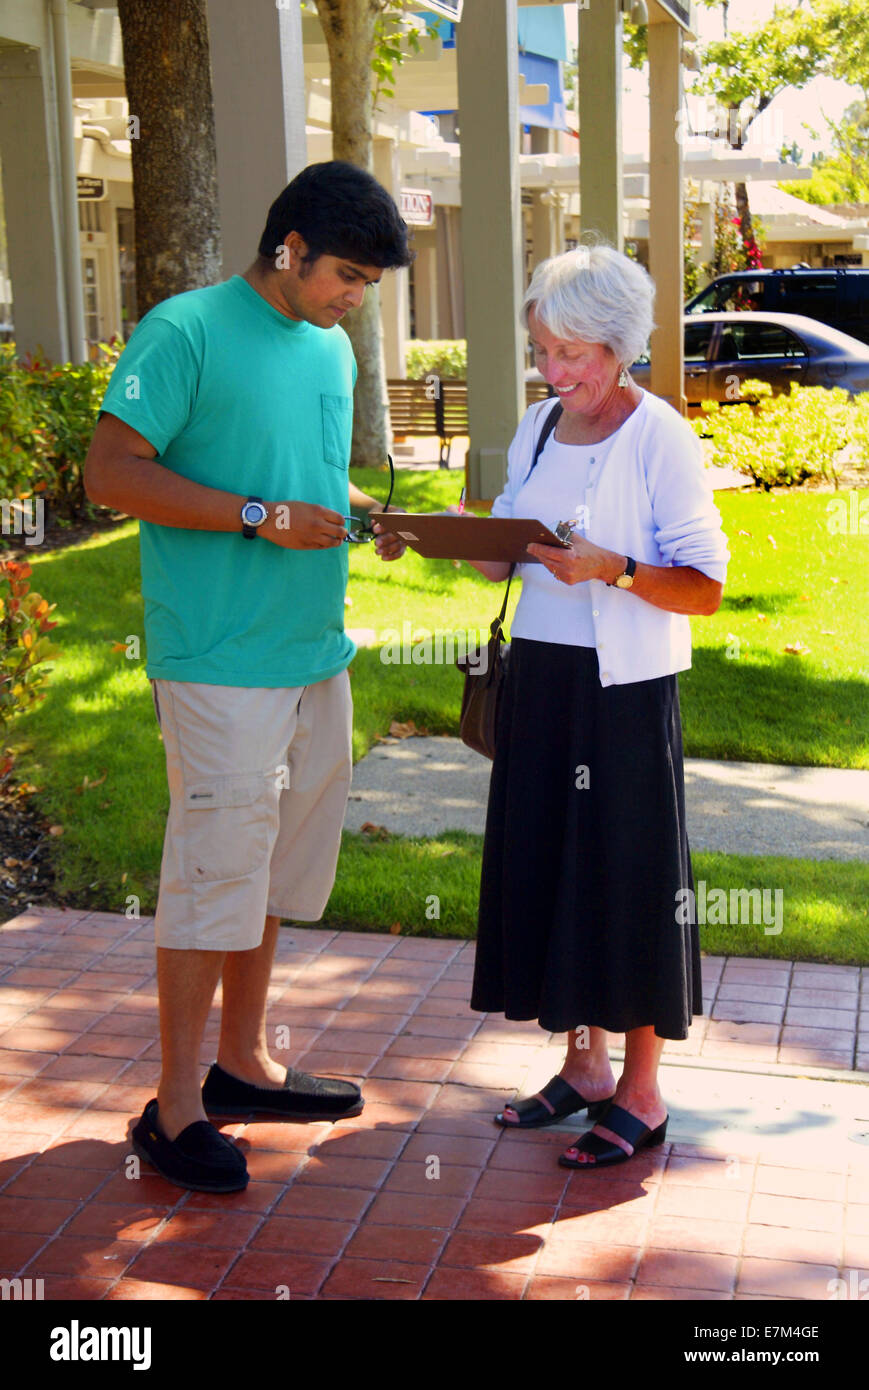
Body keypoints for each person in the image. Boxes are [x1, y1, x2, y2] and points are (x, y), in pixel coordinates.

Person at [84, 161, 412, 1193]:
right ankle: (173, 1107)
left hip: (314, 649)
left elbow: (298, 469)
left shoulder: (326, 349)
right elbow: (109, 473)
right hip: (218, 657)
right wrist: (262, 518)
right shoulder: (183, 331)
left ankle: (243, 1062)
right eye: (346, 276)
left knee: (267, 874)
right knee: (209, 876)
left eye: (368, 284)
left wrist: (358, 509)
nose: (354, 300)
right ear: (288, 250)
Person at [465, 245, 729, 1171]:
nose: (557, 372)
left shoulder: (659, 435)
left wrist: (610, 567)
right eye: (545, 350)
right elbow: (505, 547)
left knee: (628, 876)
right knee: (550, 867)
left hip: (622, 693)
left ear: (619, 347)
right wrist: (454, 540)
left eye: (574, 353)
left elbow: (704, 587)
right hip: (541, 680)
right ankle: (582, 1069)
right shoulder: (539, 426)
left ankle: (642, 1092)